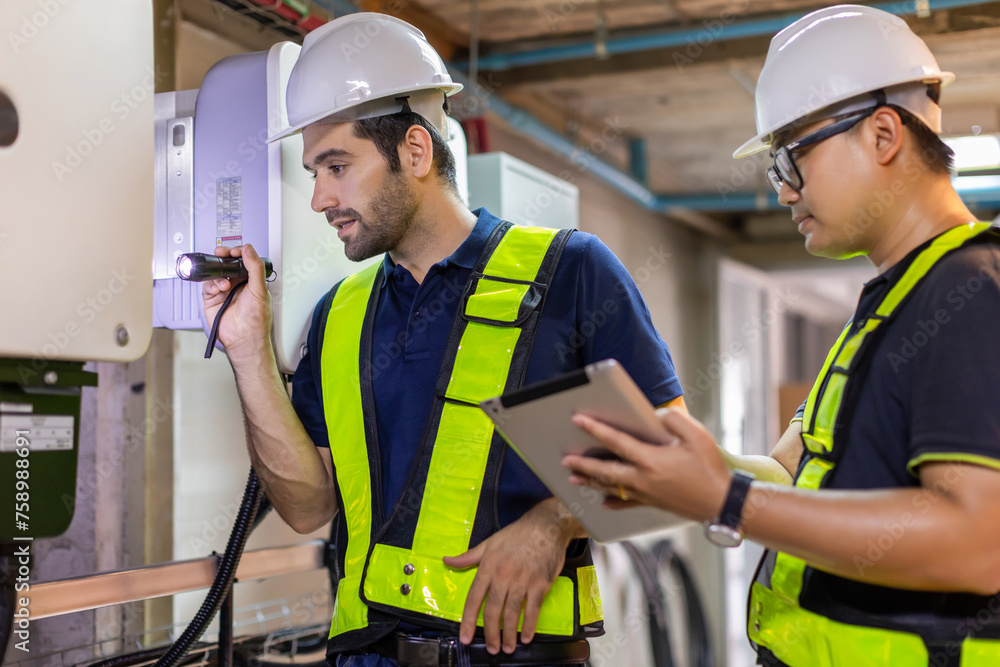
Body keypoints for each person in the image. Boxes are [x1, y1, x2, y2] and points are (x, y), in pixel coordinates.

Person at [202, 12, 685, 667]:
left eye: (336, 165)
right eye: (314, 170)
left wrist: (555, 520)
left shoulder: (572, 271)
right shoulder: (337, 313)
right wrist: (247, 351)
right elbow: (307, 505)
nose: (318, 197)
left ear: (415, 151)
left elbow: (677, 463)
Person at [563, 5, 1000, 667]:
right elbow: (791, 475)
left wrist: (726, 497)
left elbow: (978, 541)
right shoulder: (891, 303)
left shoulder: (968, 290)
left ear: (883, 135)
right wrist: (677, 468)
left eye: (793, 159)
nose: (783, 192)